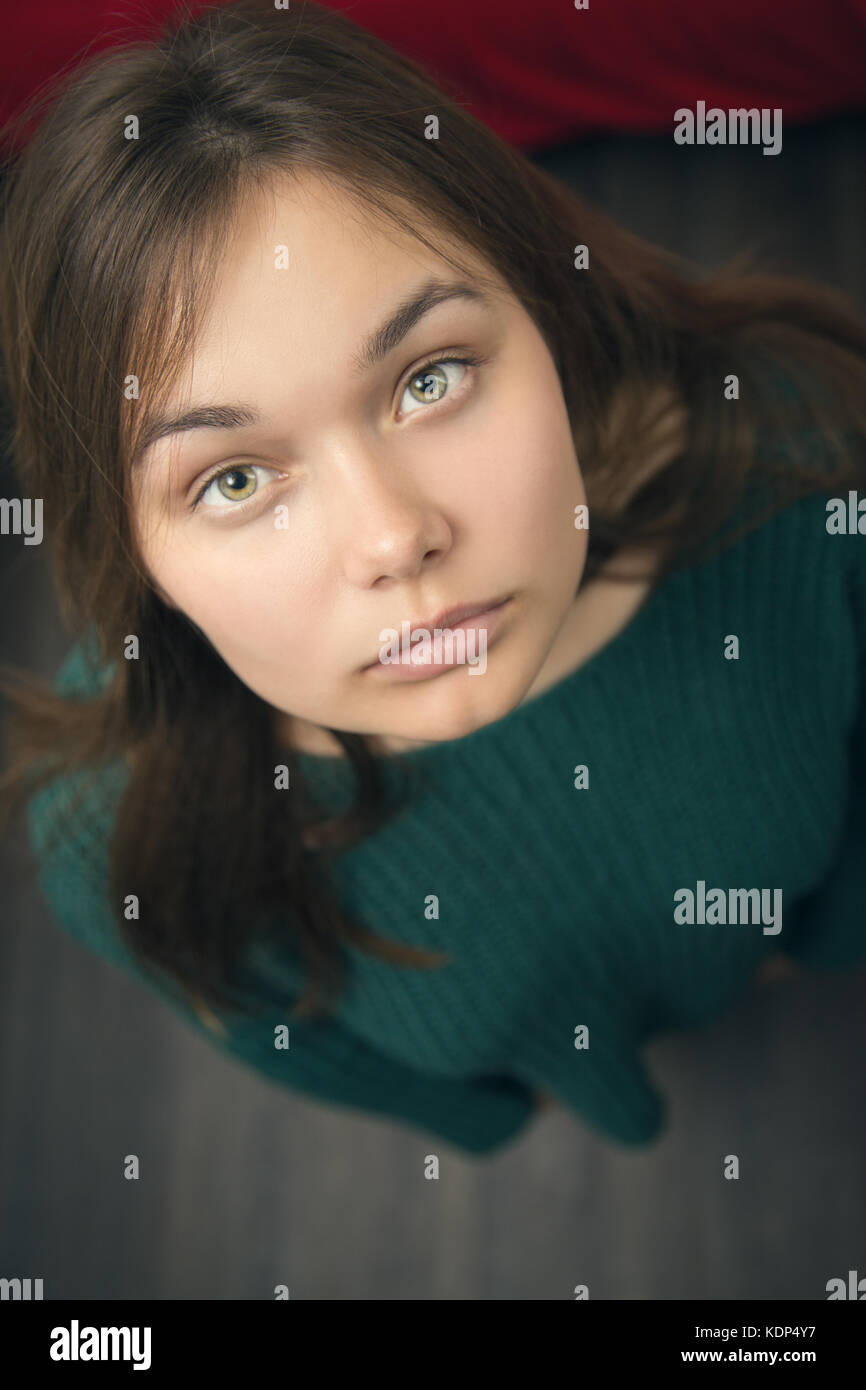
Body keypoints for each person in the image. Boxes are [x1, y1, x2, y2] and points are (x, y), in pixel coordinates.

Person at [1, 0, 865, 1156]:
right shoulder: (119, 843)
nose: (391, 538)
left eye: (429, 377)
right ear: (135, 557)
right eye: (234, 479)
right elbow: (366, 1072)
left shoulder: (804, 482)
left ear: (544, 319)